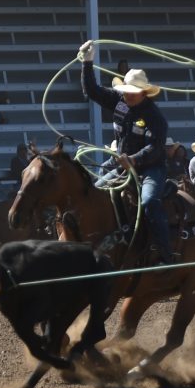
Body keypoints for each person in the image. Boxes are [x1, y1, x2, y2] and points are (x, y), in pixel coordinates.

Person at [76, 40, 175, 263]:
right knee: (97, 193)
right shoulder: (119, 101)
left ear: (144, 93)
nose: (128, 96)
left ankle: (165, 254)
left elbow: (155, 147)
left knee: (149, 201)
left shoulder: (154, 116)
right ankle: (120, 234)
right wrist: (87, 62)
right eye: (126, 92)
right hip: (122, 165)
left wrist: (133, 159)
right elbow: (91, 90)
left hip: (151, 168)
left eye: (133, 93)